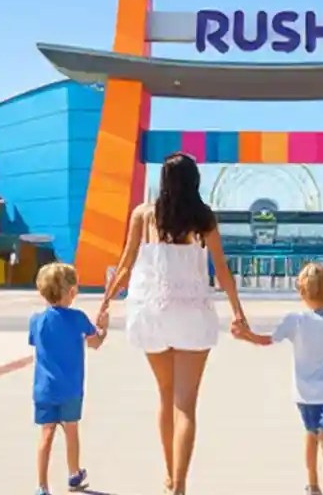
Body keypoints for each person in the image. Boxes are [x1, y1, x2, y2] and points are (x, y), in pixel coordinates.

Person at [95, 152, 248, 495]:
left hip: (152, 312)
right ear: (194, 181)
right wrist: (238, 312)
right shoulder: (203, 218)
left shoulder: (144, 214)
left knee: (164, 397)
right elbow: (222, 270)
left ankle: (168, 474)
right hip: (192, 314)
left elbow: (125, 264)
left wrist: (104, 304)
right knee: (186, 405)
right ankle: (179, 485)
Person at [232, 262, 323, 495]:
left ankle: (312, 484)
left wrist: (245, 335)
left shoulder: (294, 320)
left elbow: (267, 340)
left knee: (312, 435)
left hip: (305, 393)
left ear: (301, 291)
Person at [29, 262, 108, 495]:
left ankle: (42, 485)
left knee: (46, 433)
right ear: (71, 291)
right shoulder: (78, 318)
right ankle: (74, 474)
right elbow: (95, 342)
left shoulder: (36, 320)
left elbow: (35, 342)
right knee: (71, 430)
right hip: (71, 388)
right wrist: (103, 328)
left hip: (44, 388)